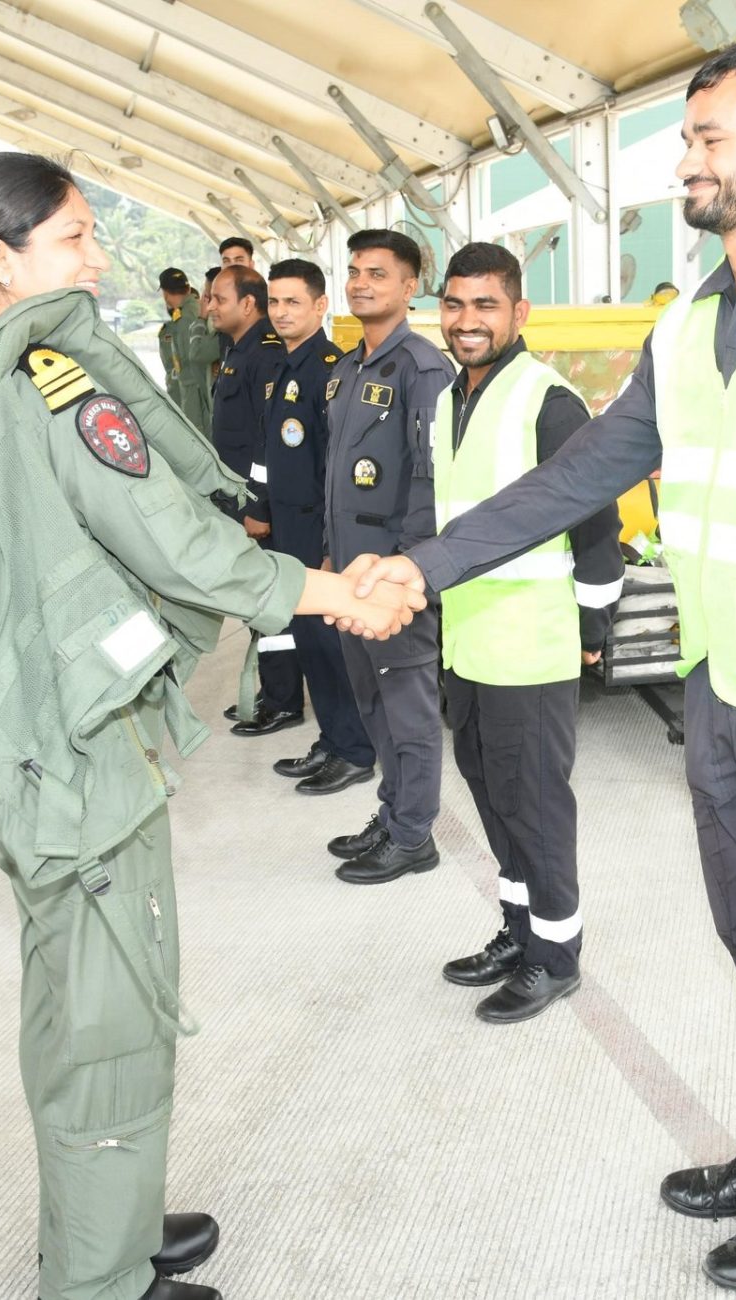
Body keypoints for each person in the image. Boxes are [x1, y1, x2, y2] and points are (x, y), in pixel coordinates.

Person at [349, 40, 736, 1292]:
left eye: (709, 137)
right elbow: (579, 476)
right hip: (722, 689)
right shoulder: (695, 325)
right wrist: (429, 563)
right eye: (685, 138)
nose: (686, 158)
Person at [0, 152, 422, 1300]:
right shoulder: (46, 376)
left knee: (93, 1000)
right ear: (0, 258)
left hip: (61, 734)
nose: (99, 256)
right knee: (107, 1016)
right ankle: (100, 1281)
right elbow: (165, 536)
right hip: (74, 753)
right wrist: (333, 590)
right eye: (77, 236)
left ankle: (112, 1227)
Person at [428, 242, 622, 1023]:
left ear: (518, 313)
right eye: (455, 304)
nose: (467, 321)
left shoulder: (548, 401)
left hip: (531, 648)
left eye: (484, 306)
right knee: (492, 796)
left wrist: (594, 623)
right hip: (469, 644)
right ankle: (517, 929)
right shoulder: (449, 399)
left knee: (536, 804)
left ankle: (555, 955)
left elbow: (597, 521)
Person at [322, 229, 454, 885]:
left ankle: (413, 835)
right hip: (350, 573)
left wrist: (409, 570)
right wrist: (327, 558)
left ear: (409, 287)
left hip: (395, 578)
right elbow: (338, 479)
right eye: (353, 271)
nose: (361, 283)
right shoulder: (349, 369)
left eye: (378, 273)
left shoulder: (422, 369)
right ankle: (392, 810)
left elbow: (433, 480)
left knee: (408, 710)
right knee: (372, 702)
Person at [251, 258, 376, 794]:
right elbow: (271, 454)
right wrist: (258, 508)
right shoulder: (282, 365)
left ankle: (355, 749)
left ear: (321, 306)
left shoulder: (328, 368)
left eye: (292, 302)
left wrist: (329, 544)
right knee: (306, 638)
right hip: (285, 526)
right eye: (274, 302)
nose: (280, 312)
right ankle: (332, 737)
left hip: (316, 533)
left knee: (329, 643)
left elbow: (335, 469)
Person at [204, 265, 301, 737]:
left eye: (218, 298)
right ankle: (273, 689)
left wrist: (256, 507)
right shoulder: (238, 351)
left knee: (269, 601)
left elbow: (268, 441)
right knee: (256, 603)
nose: (209, 307)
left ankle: (284, 700)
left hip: (258, 506)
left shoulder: (263, 356)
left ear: (248, 304)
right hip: (242, 500)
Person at [156, 267, 220, 439]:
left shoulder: (185, 318)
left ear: (165, 293)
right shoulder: (189, 311)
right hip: (196, 390)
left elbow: (191, 362)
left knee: (200, 440)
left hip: (195, 392)